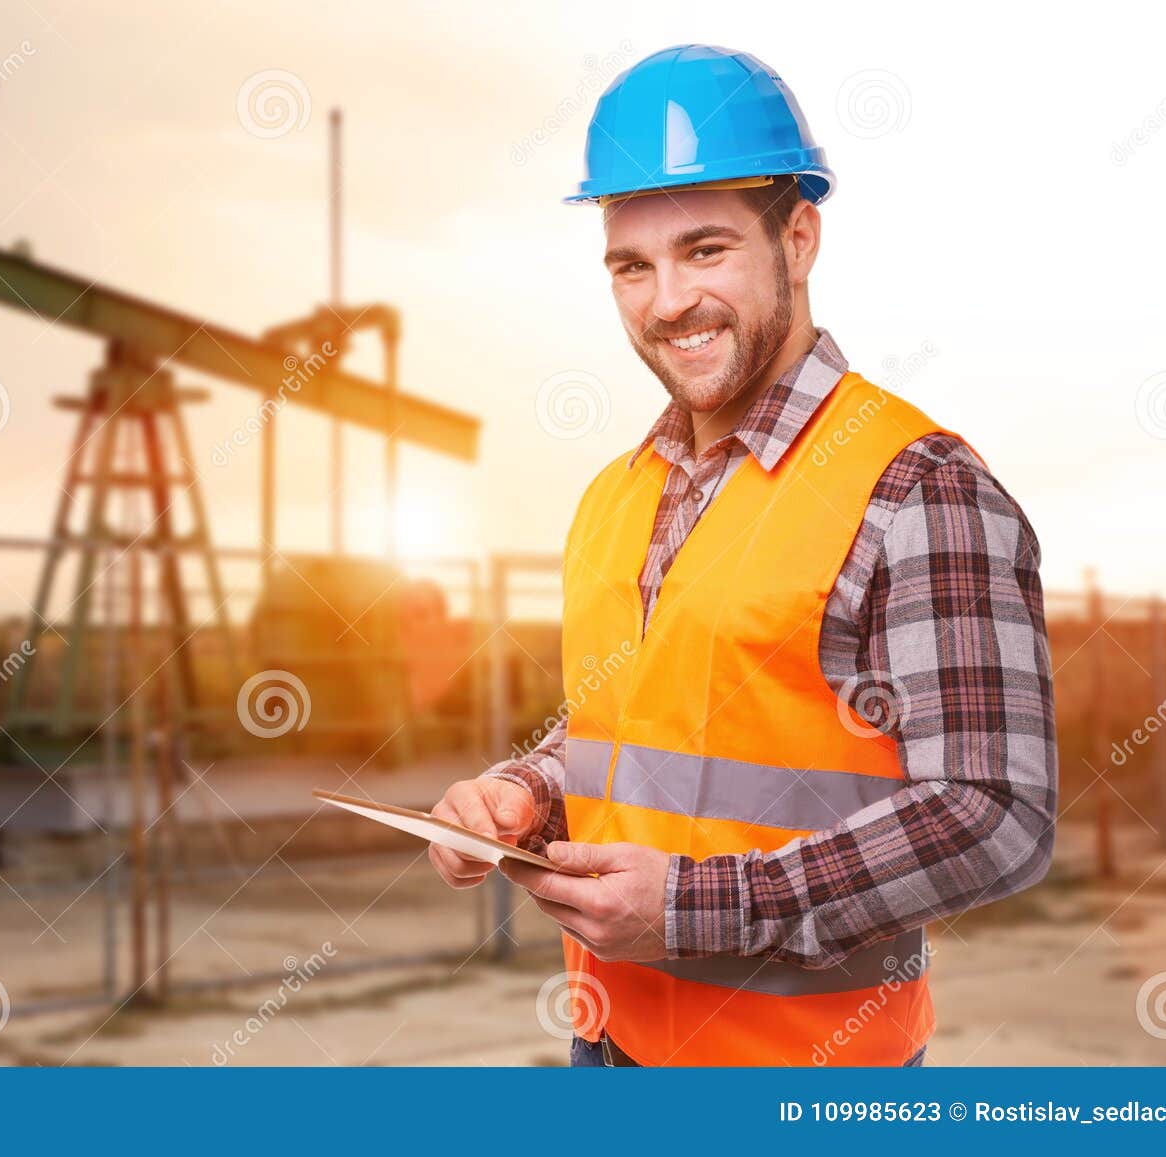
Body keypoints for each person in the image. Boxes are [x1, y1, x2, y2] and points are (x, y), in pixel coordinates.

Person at [427, 44, 1057, 1068]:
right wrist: (525, 794)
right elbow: (631, 726)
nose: (667, 300)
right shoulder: (615, 494)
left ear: (798, 237)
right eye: (632, 265)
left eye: (705, 249)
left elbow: (995, 812)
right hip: (610, 1042)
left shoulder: (914, 486)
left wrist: (698, 906)